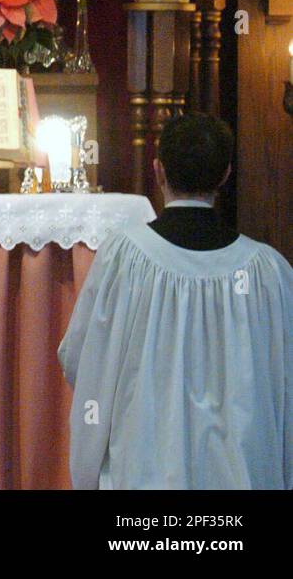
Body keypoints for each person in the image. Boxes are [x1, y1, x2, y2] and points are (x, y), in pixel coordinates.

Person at [59, 113, 293, 489]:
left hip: (145, 474)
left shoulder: (124, 257)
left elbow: (83, 359)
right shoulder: (268, 272)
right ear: (225, 175)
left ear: (158, 170)